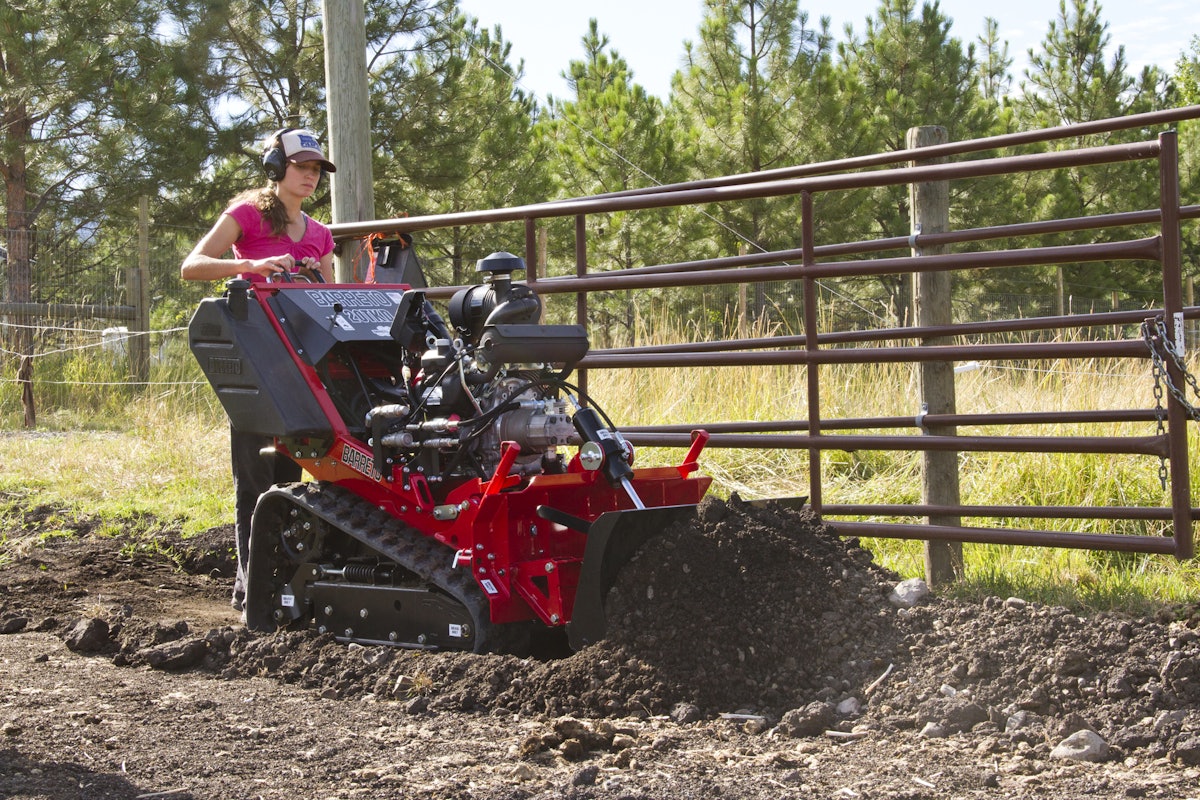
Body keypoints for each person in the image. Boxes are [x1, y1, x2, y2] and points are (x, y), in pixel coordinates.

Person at [181, 127, 337, 611]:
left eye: (316, 170)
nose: (310, 176)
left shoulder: (320, 234)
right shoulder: (246, 215)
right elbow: (192, 266)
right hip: (254, 360)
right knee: (253, 476)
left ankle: (286, 579)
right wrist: (252, 267)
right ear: (276, 168)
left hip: (302, 366)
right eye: (301, 167)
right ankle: (252, 588)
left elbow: (331, 301)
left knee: (292, 475)